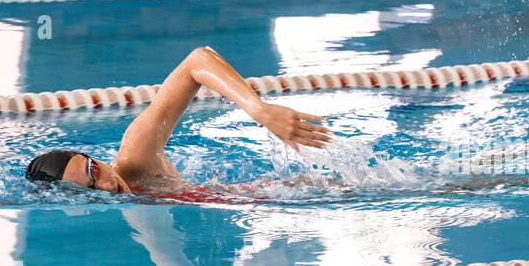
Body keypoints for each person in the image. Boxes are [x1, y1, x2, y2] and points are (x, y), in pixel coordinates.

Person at [24, 46, 332, 197]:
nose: (107, 184)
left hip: (282, 192)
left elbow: (197, 61)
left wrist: (258, 109)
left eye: (94, 170)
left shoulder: (135, 156)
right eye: (92, 189)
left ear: (94, 159)